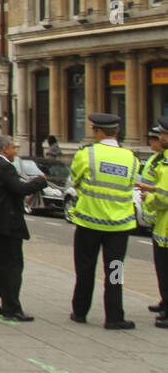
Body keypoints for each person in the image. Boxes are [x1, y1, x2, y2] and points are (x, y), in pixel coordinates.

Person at [68, 112, 138, 329]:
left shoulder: (87, 154)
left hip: (89, 221)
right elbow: (130, 186)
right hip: (120, 225)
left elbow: (74, 181)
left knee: (85, 268)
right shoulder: (132, 158)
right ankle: (115, 316)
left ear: (97, 131)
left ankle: (80, 311)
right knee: (115, 269)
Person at [0, 135, 49, 321]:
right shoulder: (5, 167)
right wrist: (40, 181)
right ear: (4, 150)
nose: (15, 151)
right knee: (11, 266)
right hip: (8, 224)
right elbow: (19, 189)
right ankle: (11, 308)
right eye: (13, 148)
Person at [138, 119, 168, 327]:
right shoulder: (160, 160)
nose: (158, 139)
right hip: (161, 226)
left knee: (165, 271)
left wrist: (147, 197)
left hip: (165, 227)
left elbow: (163, 197)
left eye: (162, 135)